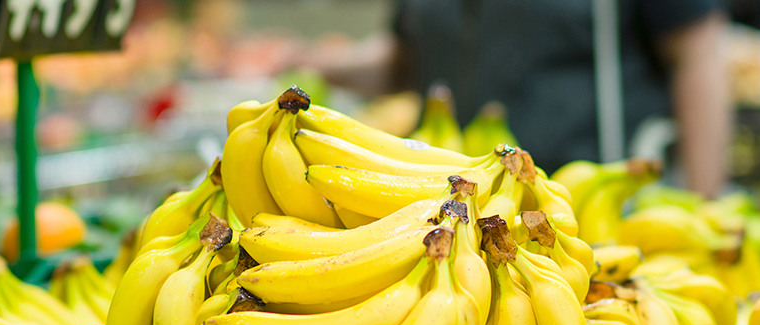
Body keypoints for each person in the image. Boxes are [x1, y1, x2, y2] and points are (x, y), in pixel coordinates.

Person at [293, 0, 732, 200]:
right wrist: (314, 64)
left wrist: (704, 200)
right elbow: (403, 60)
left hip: (586, 203)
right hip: (453, 202)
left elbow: (697, 53)